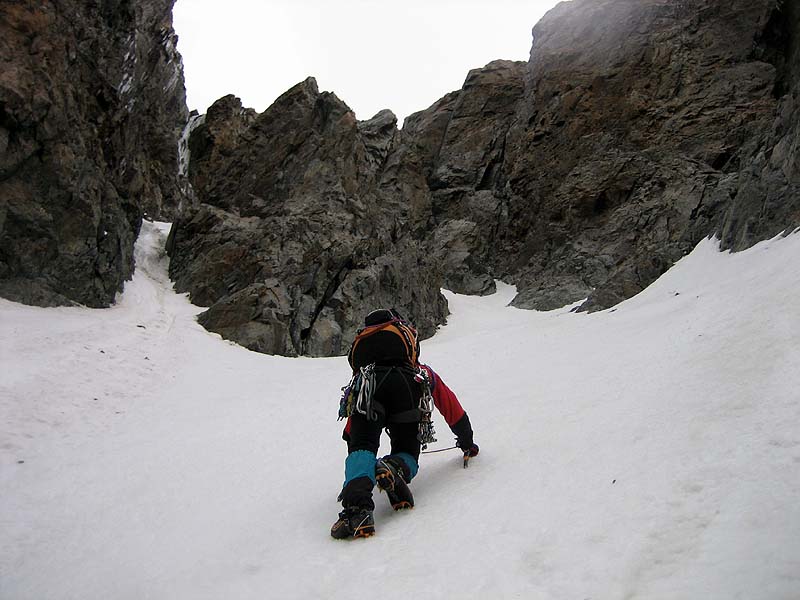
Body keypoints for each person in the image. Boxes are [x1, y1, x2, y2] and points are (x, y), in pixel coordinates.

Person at [331, 308, 480, 539]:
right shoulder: (421, 372)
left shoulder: (364, 371)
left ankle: (357, 512)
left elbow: (354, 429)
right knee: (406, 450)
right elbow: (449, 404)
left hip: (368, 388)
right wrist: (466, 440)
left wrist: (354, 447)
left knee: (362, 448)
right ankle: (395, 466)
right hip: (407, 387)